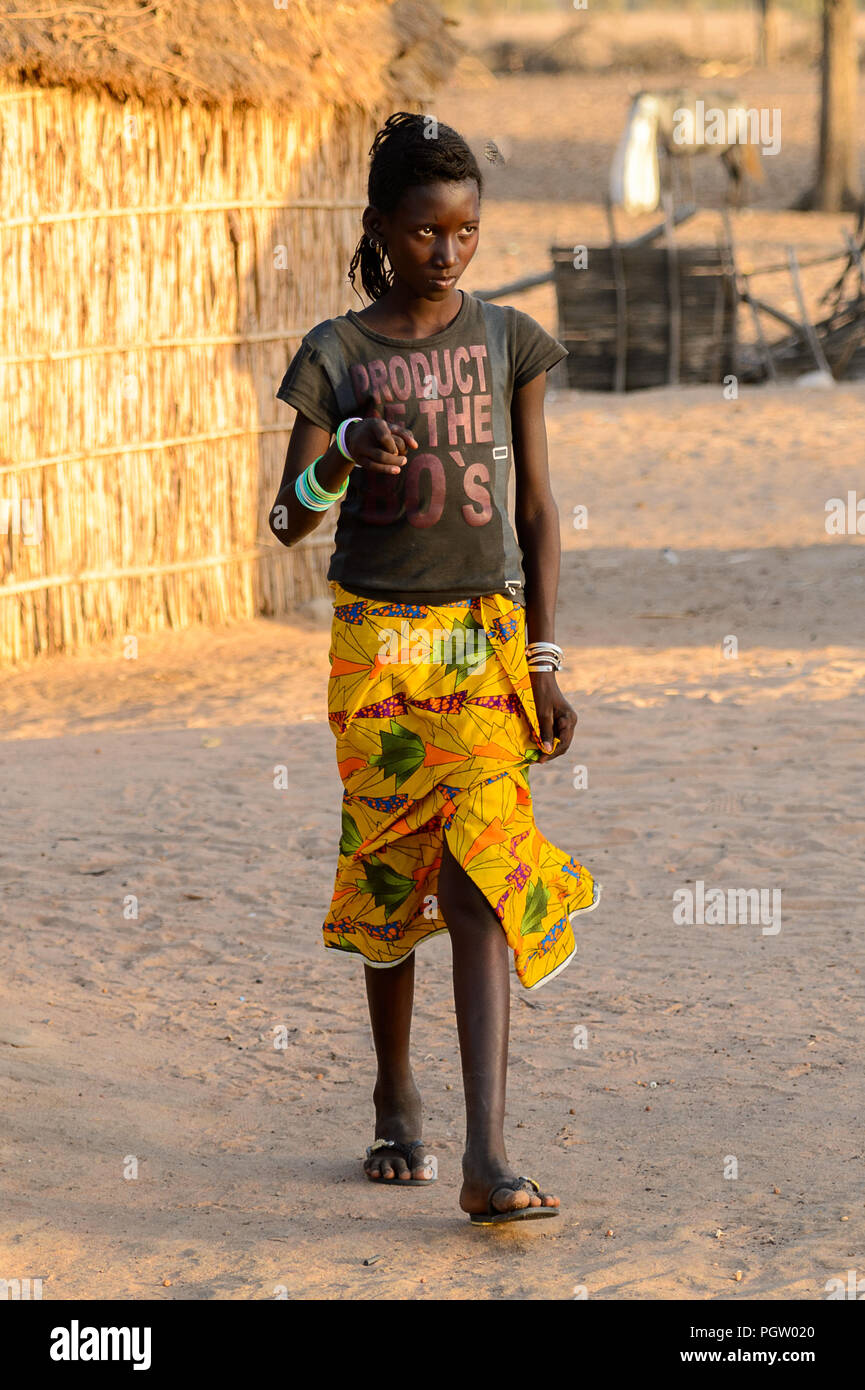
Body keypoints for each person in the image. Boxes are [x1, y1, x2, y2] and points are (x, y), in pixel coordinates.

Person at [270, 112, 601, 1225]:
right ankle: (393, 1089)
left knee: (477, 879)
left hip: (483, 645)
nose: (447, 251)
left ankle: (487, 1155)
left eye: (464, 230)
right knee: (387, 871)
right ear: (380, 230)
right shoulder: (337, 354)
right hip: (378, 651)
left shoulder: (510, 340)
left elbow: (540, 512)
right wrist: (347, 453)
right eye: (424, 232)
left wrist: (545, 660)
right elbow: (283, 519)